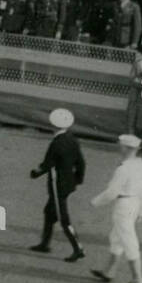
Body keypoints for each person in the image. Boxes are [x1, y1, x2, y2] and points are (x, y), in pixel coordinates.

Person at [89, 133, 142, 283]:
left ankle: (138, 279)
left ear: (126, 148)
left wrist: (95, 202)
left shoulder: (123, 169)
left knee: (128, 240)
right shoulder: (141, 165)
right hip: (134, 203)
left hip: (124, 205)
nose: (119, 147)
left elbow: (112, 192)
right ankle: (108, 271)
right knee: (117, 237)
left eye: (121, 145)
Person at [28, 108, 87, 261]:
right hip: (68, 183)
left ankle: (77, 247)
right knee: (49, 212)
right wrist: (78, 179)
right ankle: (44, 243)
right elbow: (81, 162)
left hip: (57, 185)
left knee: (63, 218)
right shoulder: (72, 139)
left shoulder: (56, 143)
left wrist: (35, 173)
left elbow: (48, 164)